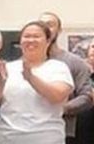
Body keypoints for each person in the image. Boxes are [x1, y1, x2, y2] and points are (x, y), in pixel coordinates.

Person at [0, 21, 73, 144]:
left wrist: (31, 77)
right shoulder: (8, 68)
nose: (30, 40)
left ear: (48, 41)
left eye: (36, 36)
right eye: (26, 36)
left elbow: (57, 97)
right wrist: (1, 81)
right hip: (7, 137)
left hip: (46, 138)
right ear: (20, 42)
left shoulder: (58, 67)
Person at [38, 12, 93, 144]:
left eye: (50, 25)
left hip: (63, 131)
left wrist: (62, 109)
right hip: (31, 129)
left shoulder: (74, 62)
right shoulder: (26, 63)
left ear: (59, 30)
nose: (46, 28)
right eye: (42, 25)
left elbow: (87, 97)